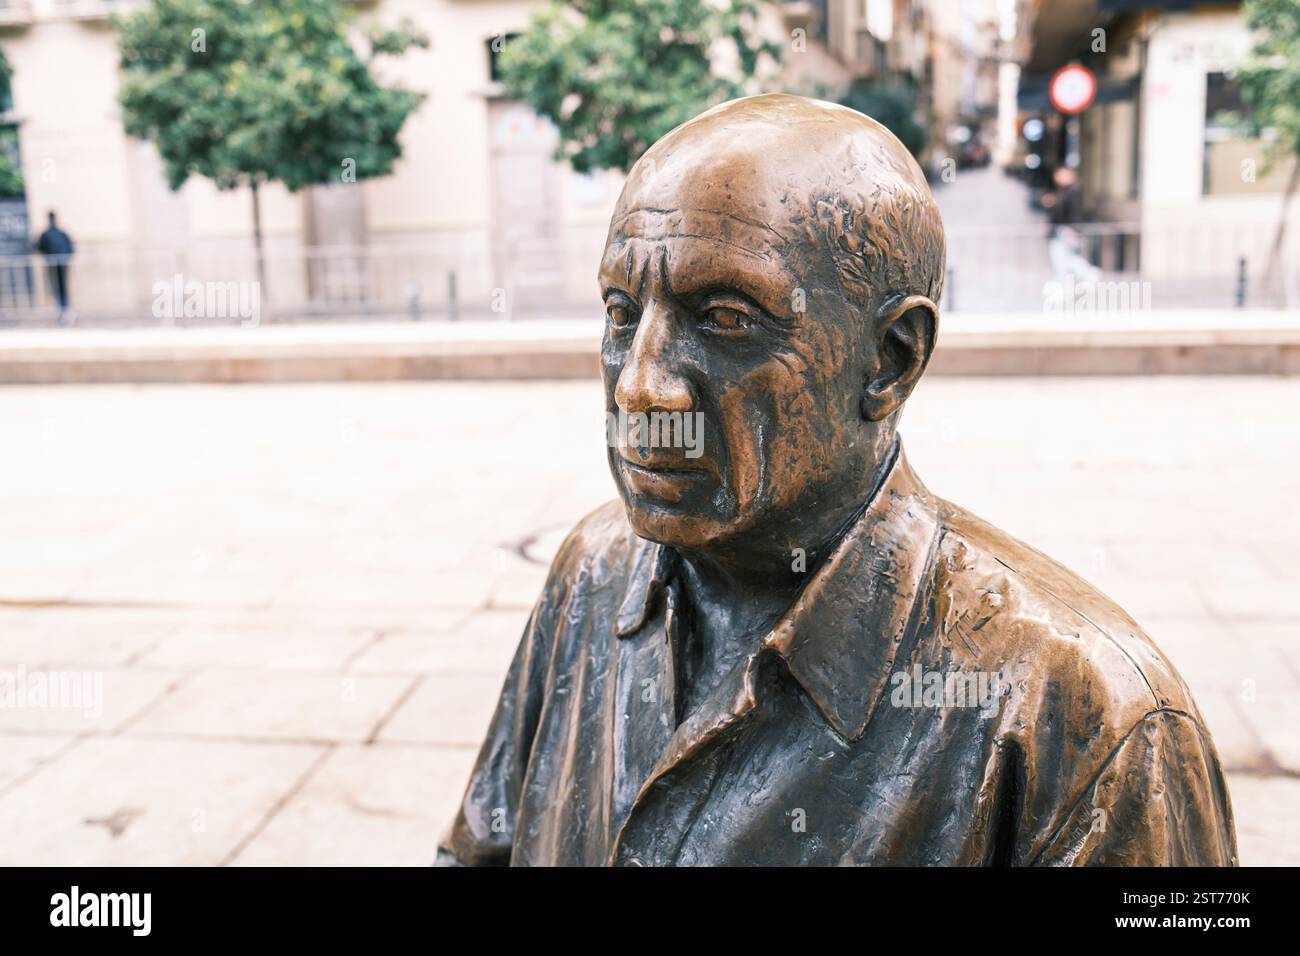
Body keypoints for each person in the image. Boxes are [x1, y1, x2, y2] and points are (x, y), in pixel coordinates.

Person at [436, 94, 1237, 866]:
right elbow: (482, 847)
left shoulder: (1088, 717)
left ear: (890, 360)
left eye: (725, 318)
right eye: (620, 312)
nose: (640, 386)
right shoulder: (593, 574)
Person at [35, 211, 74, 324]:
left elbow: (39, 248)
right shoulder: (61, 232)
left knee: (57, 287)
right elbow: (70, 248)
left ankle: (63, 310)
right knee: (62, 287)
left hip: (54, 264)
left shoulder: (47, 233)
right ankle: (63, 309)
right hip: (62, 263)